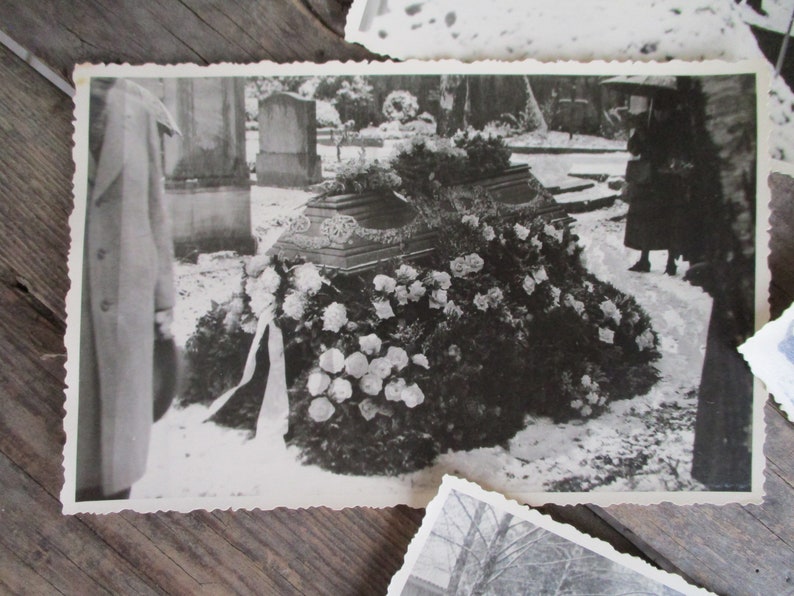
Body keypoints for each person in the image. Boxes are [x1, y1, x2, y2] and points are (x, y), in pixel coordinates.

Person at [76, 78, 177, 501]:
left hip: (128, 301)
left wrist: (162, 299)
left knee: (119, 458)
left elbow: (155, 206)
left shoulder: (136, 108)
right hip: (71, 296)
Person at [622, 95, 692, 275]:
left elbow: (677, 151)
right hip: (648, 181)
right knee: (646, 221)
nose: (661, 114)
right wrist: (638, 132)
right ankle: (644, 260)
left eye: (665, 111)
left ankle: (671, 263)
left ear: (671, 111)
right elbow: (633, 148)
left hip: (669, 183)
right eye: (659, 110)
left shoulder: (677, 128)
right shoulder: (646, 124)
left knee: (670, 221)